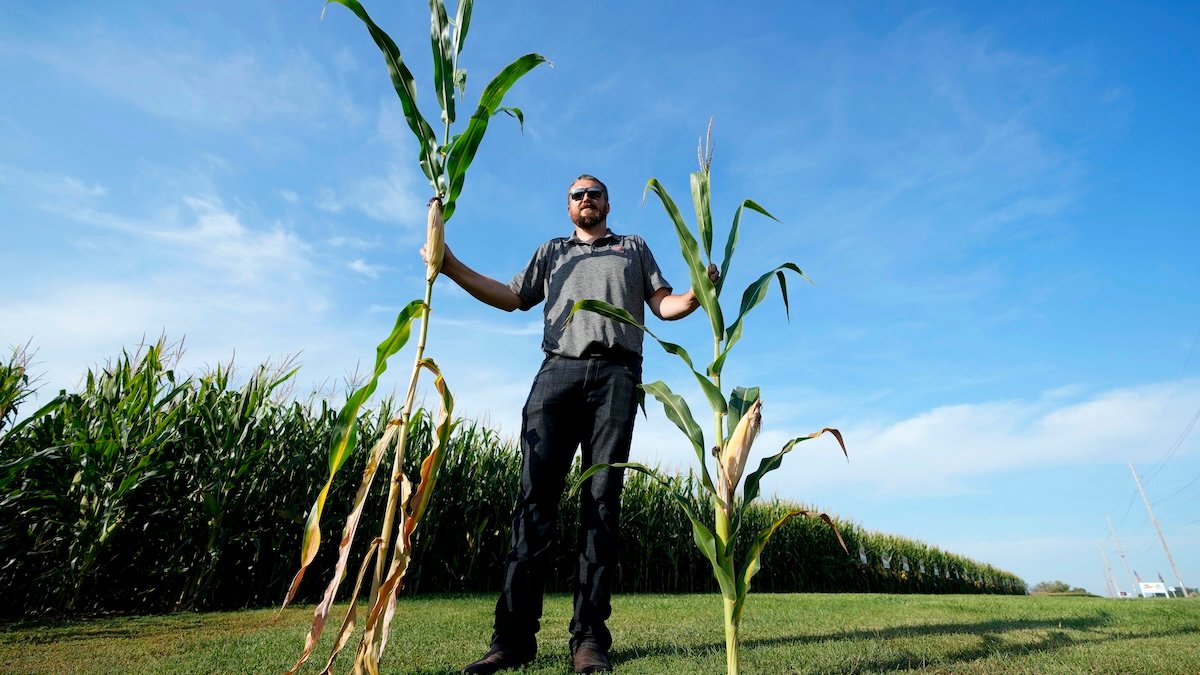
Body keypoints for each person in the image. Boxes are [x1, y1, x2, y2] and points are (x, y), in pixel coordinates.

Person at [425, 175, 714, 674]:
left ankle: (589, 641)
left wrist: (697, 294)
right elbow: (511, 297)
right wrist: (449, 265)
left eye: (593, 193)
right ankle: (512, 641)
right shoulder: (553, 252)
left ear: (607, 203)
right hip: (557, 372)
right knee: (533, 504)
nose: (585, 200)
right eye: (577, 195)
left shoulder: (633, 247)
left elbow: (664, 306)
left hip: (617, 375)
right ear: (568, 207)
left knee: (602, 504)